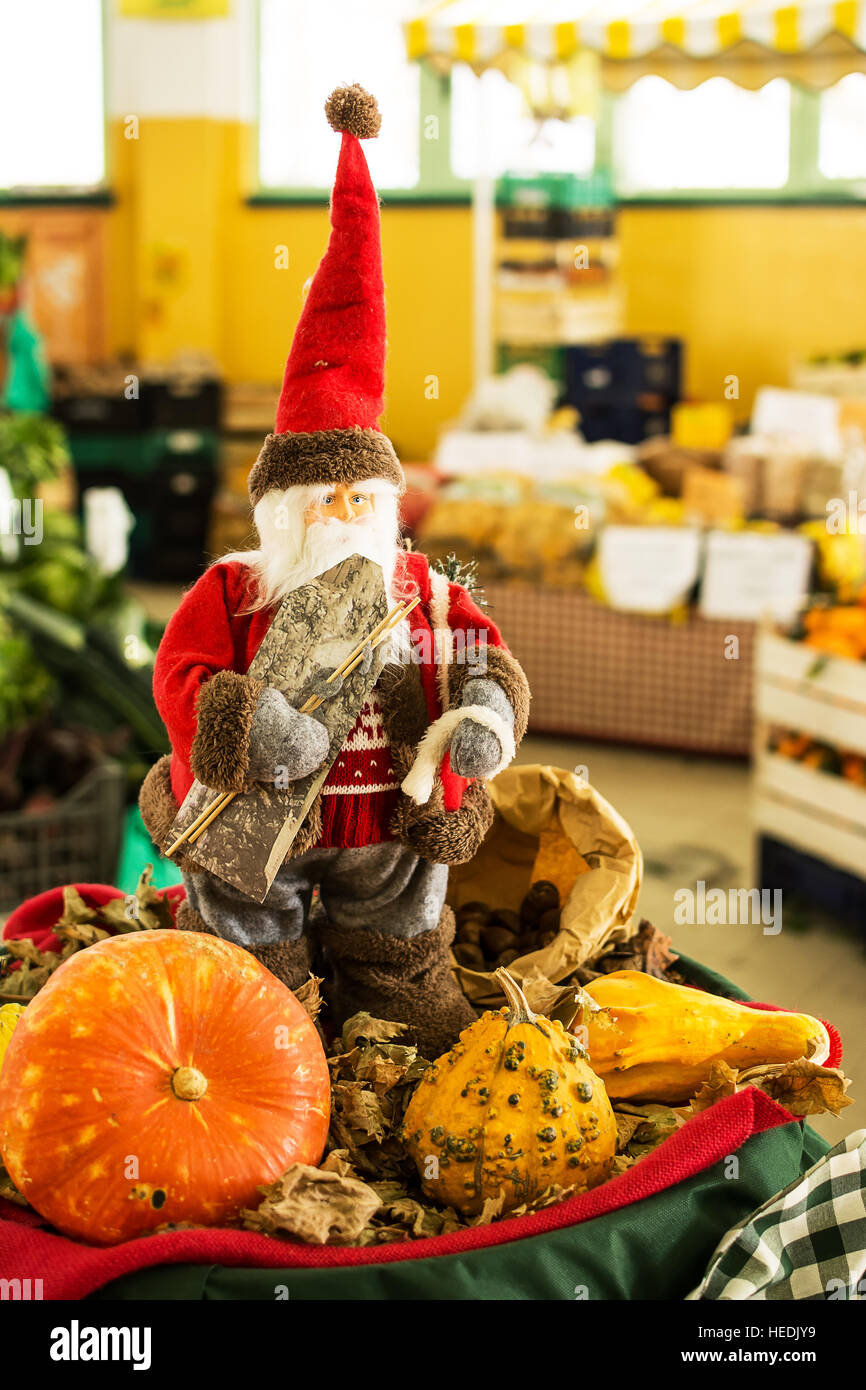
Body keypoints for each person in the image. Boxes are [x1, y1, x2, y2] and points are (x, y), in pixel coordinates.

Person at [140, 86, 529, 1057]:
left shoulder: (424, 591)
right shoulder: (233, 589)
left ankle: (392, 1005)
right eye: (326, 500)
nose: (345, 514)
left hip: (388, 830)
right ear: (282, 508)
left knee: (395, 938)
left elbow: (485, 661)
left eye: (362, 499)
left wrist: (483, 718)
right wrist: (243, 719)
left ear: (387, 504)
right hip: (255, 830)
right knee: (249, 949)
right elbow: (179, 676)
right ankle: (259, 1029)